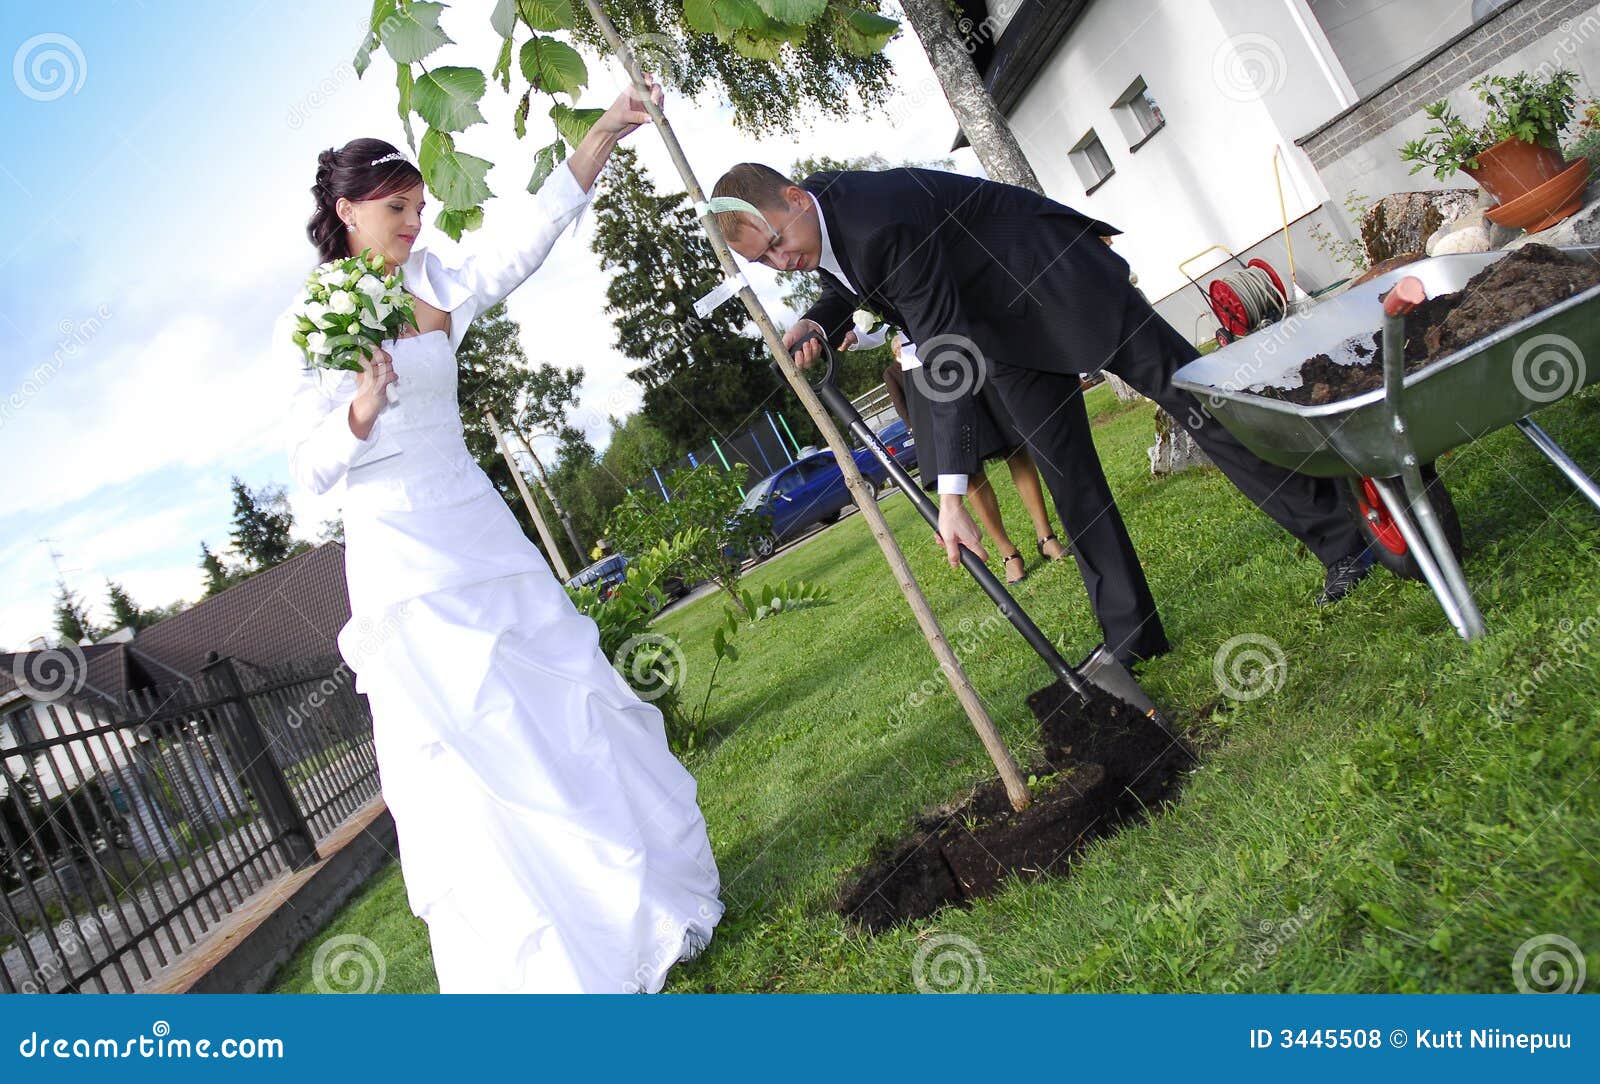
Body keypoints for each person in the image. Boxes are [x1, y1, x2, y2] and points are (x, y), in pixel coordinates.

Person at [278, 75, 723, 994]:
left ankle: (629, 910)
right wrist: (359, 411)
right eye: (398, 208)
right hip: (404, 561)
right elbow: (305, 475)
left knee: (565, 714)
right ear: (347, 211)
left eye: (418, 206)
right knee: (484, 752)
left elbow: (530, 234)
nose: (414, 220)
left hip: (479, 532)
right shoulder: (313, 322)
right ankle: (553, 963)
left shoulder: (438, 281)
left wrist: (603, 130)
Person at [711, 163, 1374, 666]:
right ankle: (1131, 637)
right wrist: (815, 320)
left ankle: (1349, 541)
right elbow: (846, 276)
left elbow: (944, 351)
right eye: (761, 261)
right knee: (1068, 477)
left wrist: (950, 495)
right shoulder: (821, 212)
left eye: (775, 244)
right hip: (1006, 332)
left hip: (1060, 279)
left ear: (795, 199)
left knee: (1200, 408)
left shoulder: (878, 220)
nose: (779, 261)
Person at [860, 326, 1067, 584]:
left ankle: (1046, 537)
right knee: (965, 467)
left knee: (1013, 441)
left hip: (964, 337)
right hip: (922, 365)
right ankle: (1008, 554)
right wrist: (858, 333)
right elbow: (870, 332)